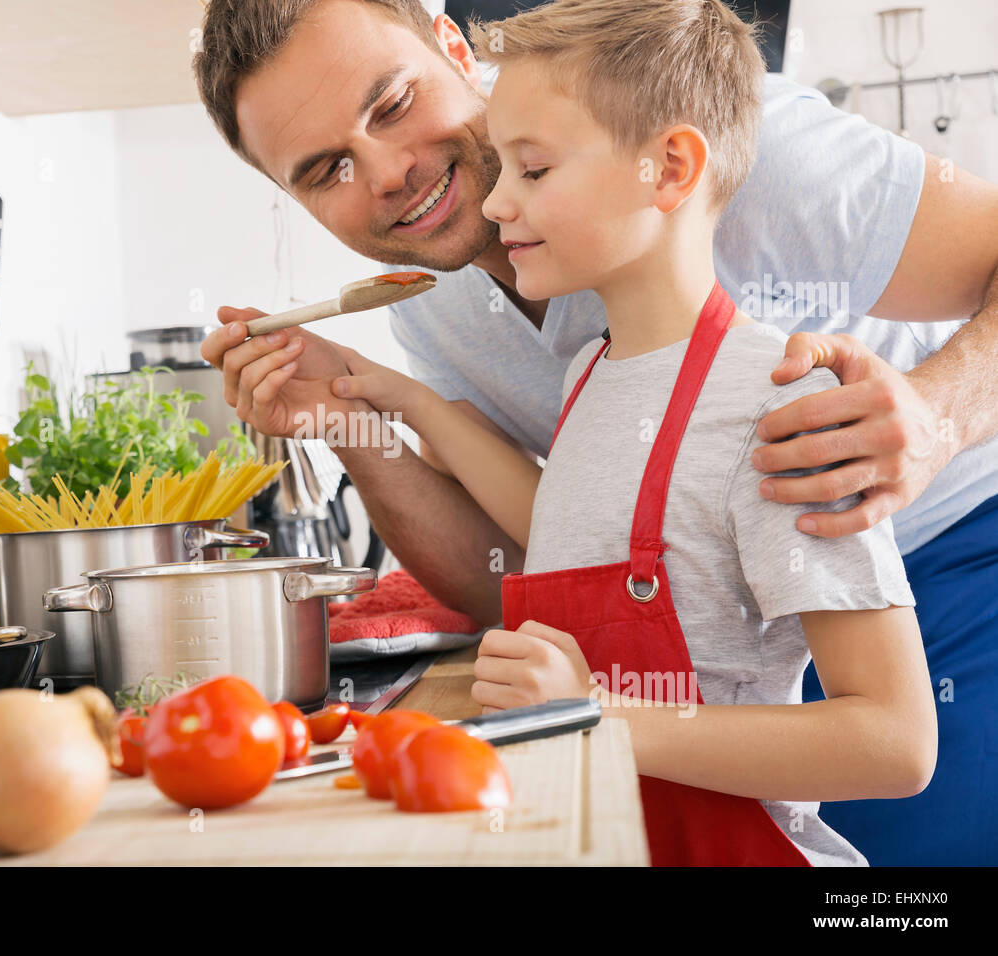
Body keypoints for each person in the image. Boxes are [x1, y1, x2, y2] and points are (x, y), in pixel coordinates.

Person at [194, 0, 998, 865]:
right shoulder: (456, 305)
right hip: (712, 665)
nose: (387, 173)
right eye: (325, 169)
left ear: (456, 48)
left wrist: (937, 413)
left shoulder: (729, 148)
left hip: (947, 551)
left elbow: (888, 745)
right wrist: (355, 410)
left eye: (391, 104)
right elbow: (547, 546)